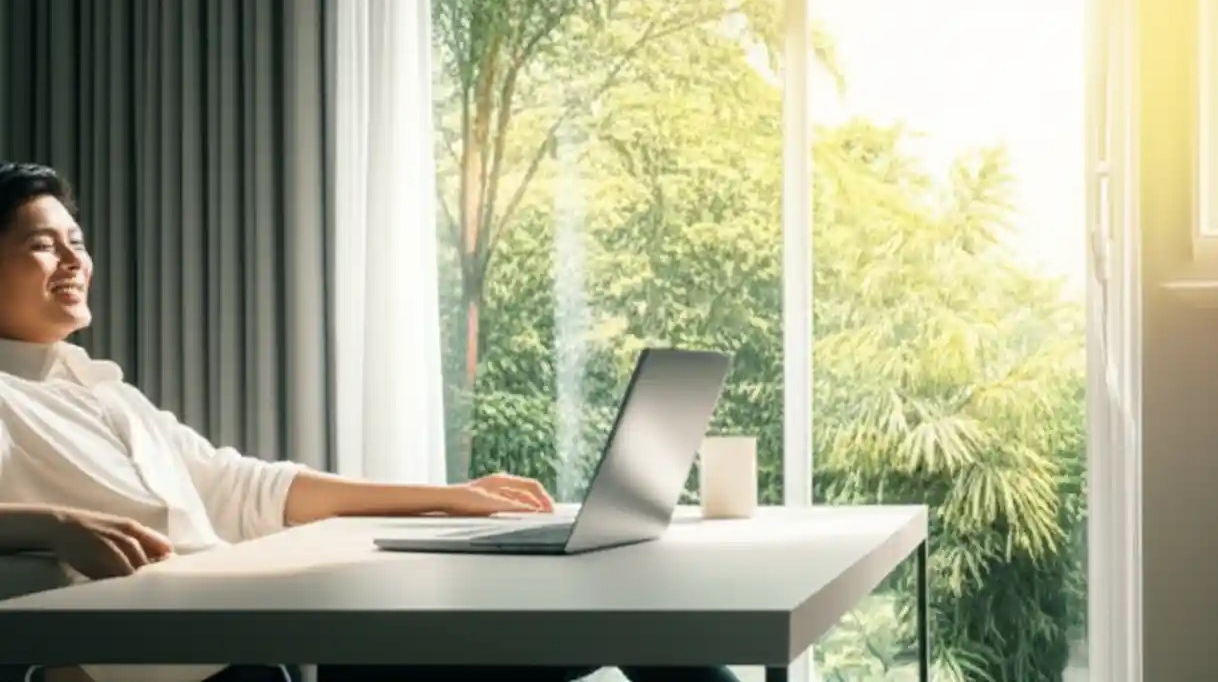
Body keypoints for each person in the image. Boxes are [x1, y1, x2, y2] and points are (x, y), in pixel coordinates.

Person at [0, 162, 738, 682]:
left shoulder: (100, 388)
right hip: (189, 659)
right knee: (620, 629)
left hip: (264, 641)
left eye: (78, 241)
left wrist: (451, 498)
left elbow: (247, 488)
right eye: (42, 243)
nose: (73, 260)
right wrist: (55, 524)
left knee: (636, 622)